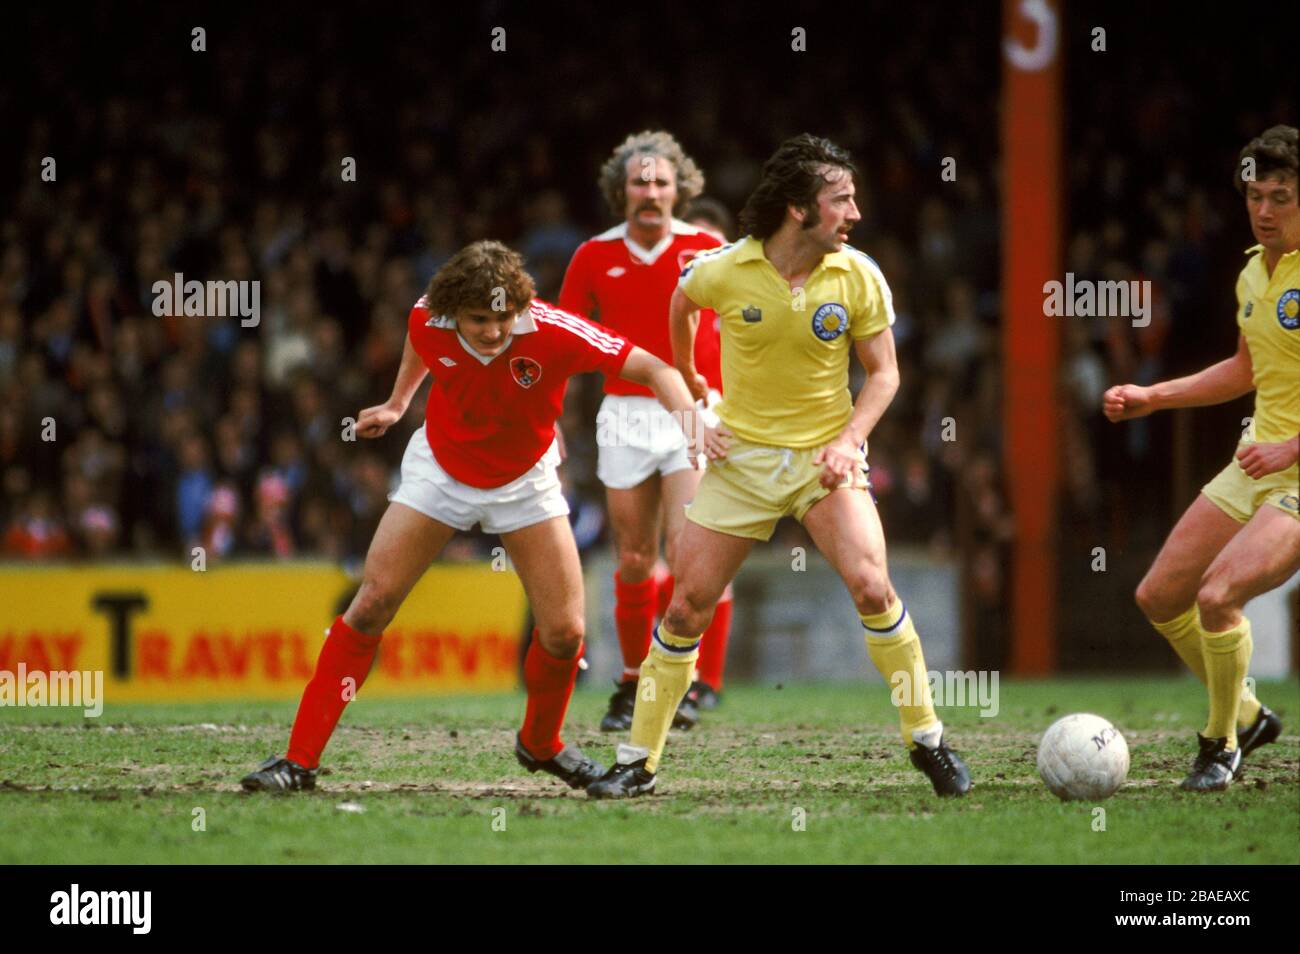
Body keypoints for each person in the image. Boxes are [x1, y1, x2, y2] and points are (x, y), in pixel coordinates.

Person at [241, 240, 710, 792]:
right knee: (370, 604)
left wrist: (695, 431)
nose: (492, 331)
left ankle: (541, 744)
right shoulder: (427, 318)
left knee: (564, 633)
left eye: (503, 318)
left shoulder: (557, 331)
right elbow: (421, 344)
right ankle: (298, 761)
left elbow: (655, 368)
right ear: (452, 313)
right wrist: (397, 403)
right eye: (478, 321)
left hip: (525, 483)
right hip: (440, 470)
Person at [587, 134, 973, 799]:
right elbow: (680, 306)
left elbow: (884, 375)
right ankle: (638, 762)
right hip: (740, 461)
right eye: (841, 200)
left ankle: (928, 740)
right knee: (684, 608)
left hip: (825, 462)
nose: (854, 213)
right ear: (799, 208)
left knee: (873, 588)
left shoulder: (859, 275)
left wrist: (850, 440)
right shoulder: (724, 270)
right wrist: (690, 382)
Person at [1103, 125, 1299, 792]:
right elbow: (1246, 368)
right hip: (1254, 463)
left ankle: (1219, 745)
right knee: (1159, 596)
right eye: (1254, 195)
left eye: (1281, 197)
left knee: (1218, 595)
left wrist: (1293, 447)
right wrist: (1155, 395)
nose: (1264, 210)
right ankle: (1248, 714)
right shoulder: (1253, 269)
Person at [559, 131, 735, 731]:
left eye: (661, 182)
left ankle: (677, 683)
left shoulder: (710, 249)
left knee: (688, 556)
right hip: (625, 414)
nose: (651, 192)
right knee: (634, 558)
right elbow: (562, 345)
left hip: (692, 408)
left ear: (680, 189)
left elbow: (746, 328)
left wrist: (732, 400)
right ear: (621, 191)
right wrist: (551, 421)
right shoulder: (590, 256)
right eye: (640, 181)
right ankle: (632, 684)